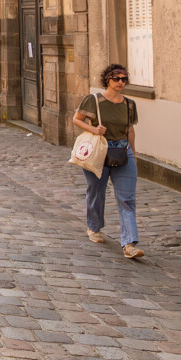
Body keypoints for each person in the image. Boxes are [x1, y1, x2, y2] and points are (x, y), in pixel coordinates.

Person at [72, 63, 144, 260]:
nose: (121, 82)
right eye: (116, 78)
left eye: (124, 79)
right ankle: (94, 227)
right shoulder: (94, 100)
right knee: (96, 192)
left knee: (127, 199)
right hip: (99, 151)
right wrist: (93, 129)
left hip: (123, 152)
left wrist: (133, 154)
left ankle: (129, 244)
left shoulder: (129, 104)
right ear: (107, 80)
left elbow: (130, 130)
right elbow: (76, 119)